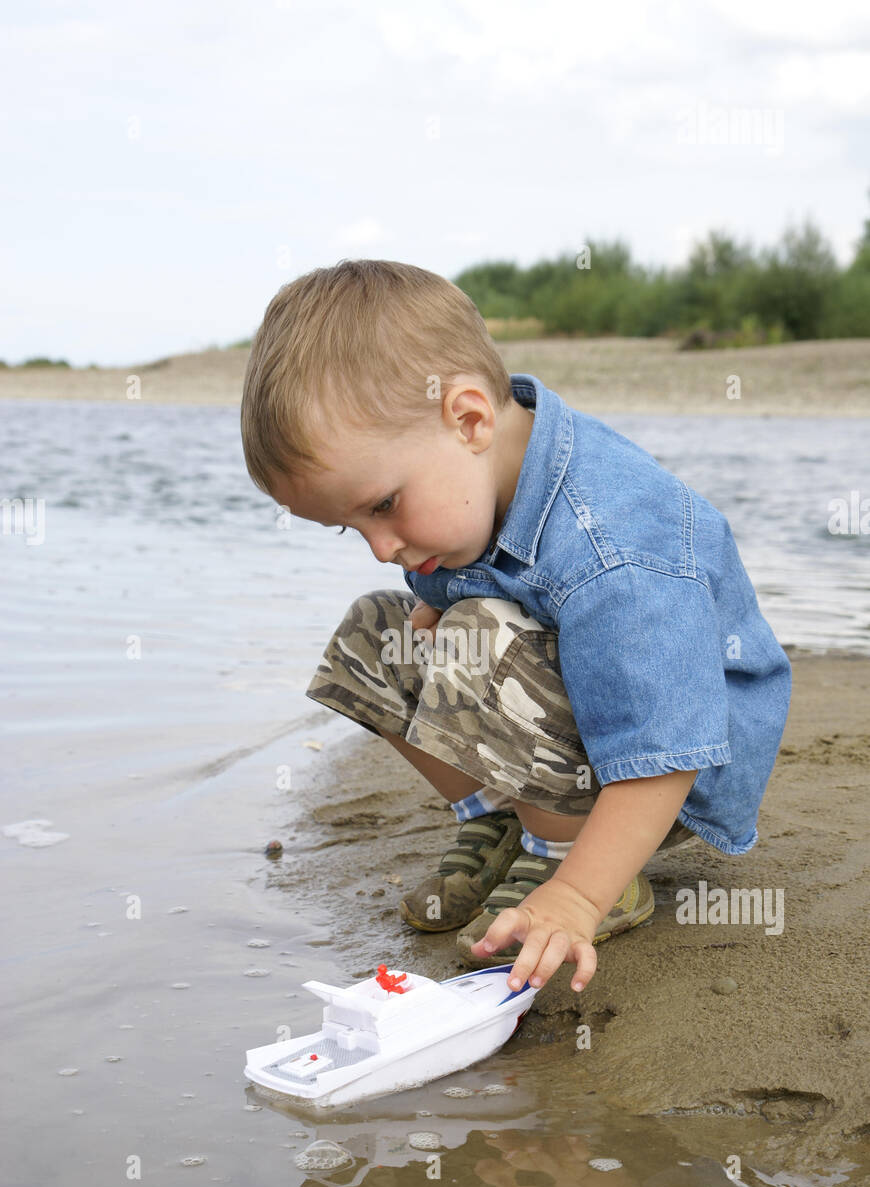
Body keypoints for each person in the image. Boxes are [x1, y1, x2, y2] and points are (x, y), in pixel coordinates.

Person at [240, 259, 792, 998]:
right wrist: (430, 609)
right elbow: (444, 584)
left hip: (672, 768)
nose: (380, 546)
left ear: (468, 418)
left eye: (381, 507)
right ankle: (502, 820)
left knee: (475, 636)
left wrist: (576, 899)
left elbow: (667, 747)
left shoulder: (616, 549)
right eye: (349, 529)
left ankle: (576, 863)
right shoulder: (465, 485)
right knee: (373, 633)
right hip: (577, 725)